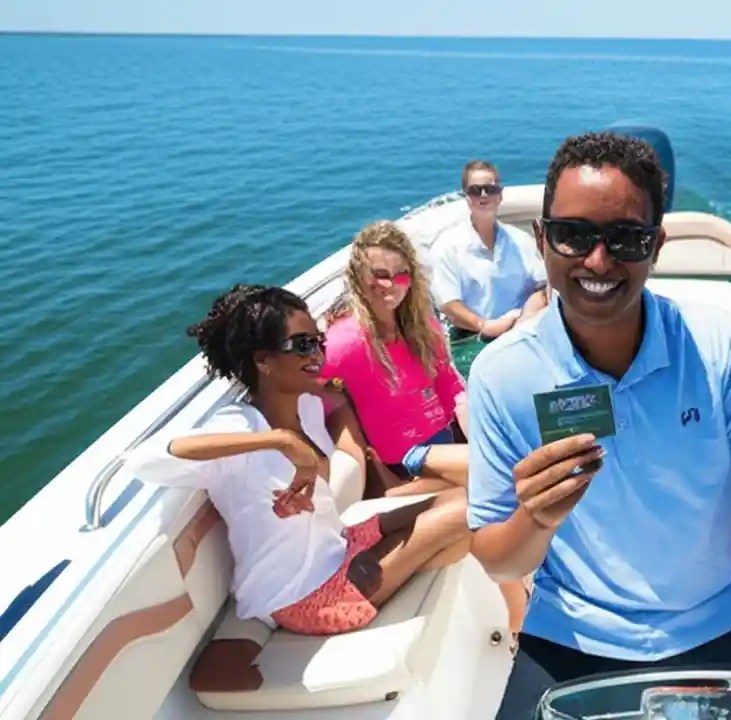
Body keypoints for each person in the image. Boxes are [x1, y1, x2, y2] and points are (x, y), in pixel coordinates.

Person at [466, 132, 731, 718]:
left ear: (657, 244)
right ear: (542, 240)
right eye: (573, 235)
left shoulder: (715, 346)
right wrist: (535, 519)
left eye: (626, 239)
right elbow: (498, 560)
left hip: (715, 623)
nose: (597, 261)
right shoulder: (503, 375)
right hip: (572, 634)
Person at [122, 284, 471, 636]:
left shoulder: (305, 405)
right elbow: (142, 461)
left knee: (464, 494)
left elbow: (341, 386)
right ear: (264, 362)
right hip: (309, 594)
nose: (318, 354)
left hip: (341, 544)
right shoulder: (239, 427)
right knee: (476, 508)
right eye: (303, 345)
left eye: (319, 342)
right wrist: (280, 440)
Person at [321, 220, 468, 497]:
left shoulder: (424, 327)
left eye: (400, 274)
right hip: (404, 462)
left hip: (443, 444)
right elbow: (321, 403)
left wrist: (475, 433)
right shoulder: (344, 344)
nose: (390, 285)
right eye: (378, 274)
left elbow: (450, 386)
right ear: (357, 277)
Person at [430, 160, 546, 343]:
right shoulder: (446, 247)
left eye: (490, 189)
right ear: (466, 196)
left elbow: (543, 286)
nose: (483, 195)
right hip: (474, 338)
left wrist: (526, 318)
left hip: (524, 330)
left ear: (500, 195)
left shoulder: (521, 241)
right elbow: (448, 304)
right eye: (475, 190)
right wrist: (485, 326)